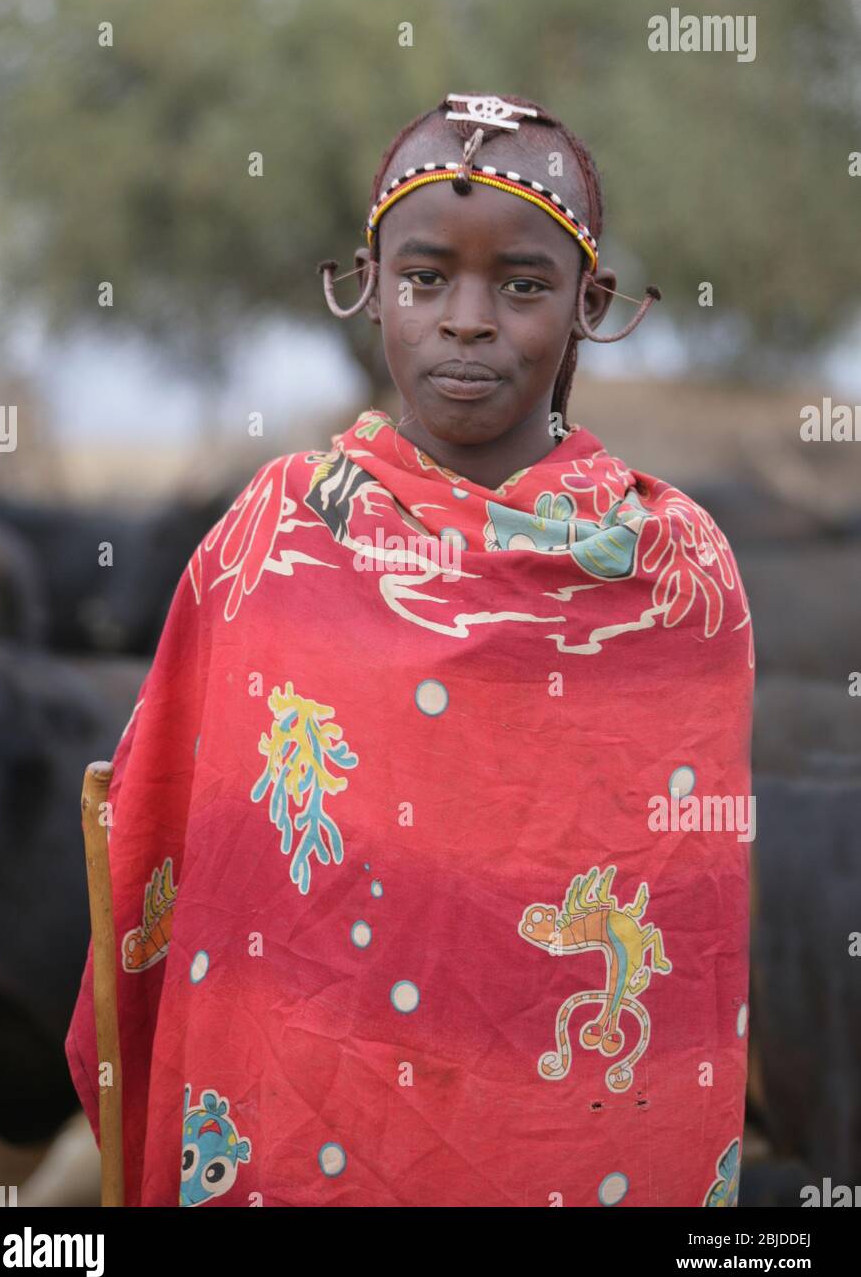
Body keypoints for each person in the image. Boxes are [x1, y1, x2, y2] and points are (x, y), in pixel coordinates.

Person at [66, 91, 754, 1208]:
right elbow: (170, 841)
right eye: (424, 277)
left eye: (521, 285)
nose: (466, 319)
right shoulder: (275, 539)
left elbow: (687, 914)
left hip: (581, 1145)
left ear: (590, 302)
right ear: (368, 286)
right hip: (297, 1128)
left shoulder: (674, 571)